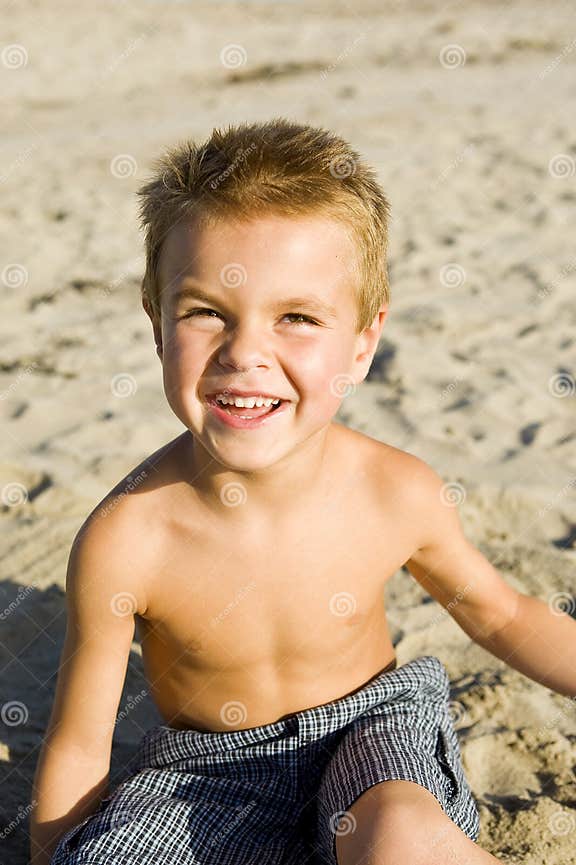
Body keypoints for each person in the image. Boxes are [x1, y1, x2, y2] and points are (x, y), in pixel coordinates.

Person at [29, 118, 575, 865]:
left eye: (297, 317)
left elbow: (502, 612)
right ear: (157, 323)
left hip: (373, 734)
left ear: (363, 339)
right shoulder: (128, 536)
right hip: (211, 771)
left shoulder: (393, 489)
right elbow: (80, 744)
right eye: (206, 312)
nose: (246, 352)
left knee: (401, 834)